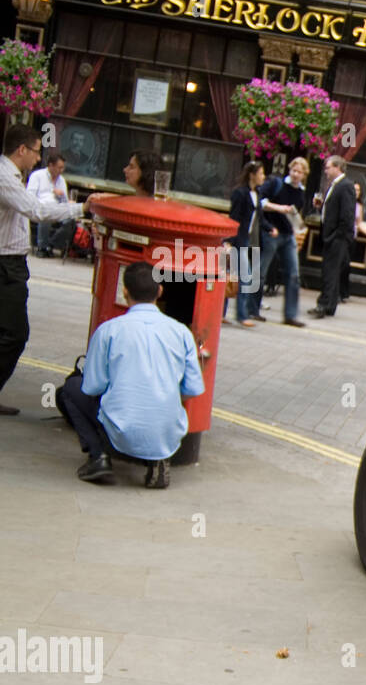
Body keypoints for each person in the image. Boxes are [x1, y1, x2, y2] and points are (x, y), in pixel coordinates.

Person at [59, 261, 204, 488]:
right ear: (160, 290)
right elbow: (193, 389)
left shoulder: (109, 330)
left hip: (119, 432)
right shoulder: (181, 332)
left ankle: (99, 457)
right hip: (169, 432)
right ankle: (158, 457)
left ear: (124, 291)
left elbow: (92, 387)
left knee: (70, 389)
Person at [0, 125, 111, 416]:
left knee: (7, 331)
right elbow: (37, 211)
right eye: (37, 151)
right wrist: (81, 208)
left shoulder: (12, 176)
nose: (38, 158)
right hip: (5, 265)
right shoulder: (4, 177)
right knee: (14, 333)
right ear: (22, 150)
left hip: (11, 263)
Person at [223, 161, 294, 327]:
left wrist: (270, 228)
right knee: (243, 278)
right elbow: (234, 219)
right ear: (252, 175)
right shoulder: (240, 194)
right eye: (261, 174)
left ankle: (223, 313)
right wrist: (228, 241)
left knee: (231, 277)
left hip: (247, 240)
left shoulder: (257, 193)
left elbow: (259, 217)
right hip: (237, 240)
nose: (263, 177)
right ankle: (241, 316)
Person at [256, 156, 308, 327]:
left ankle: (290, 315)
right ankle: (252, 309)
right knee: (261, 271)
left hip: (288, 235)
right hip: (272, 232)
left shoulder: (301, 192)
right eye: (294, 170)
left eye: (299, 172)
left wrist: (296, 226)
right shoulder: (276, 184)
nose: (295, 174)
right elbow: (261, 202)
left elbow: (295, 214)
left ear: (304, 174)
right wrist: (279, 208)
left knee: (293, 274)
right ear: (289, 170)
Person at [309, 155, 356, 319]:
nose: (326, 171)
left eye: (328, 167)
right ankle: (329, 305)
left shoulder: (346, 186)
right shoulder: (334, 186)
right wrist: (321, 207)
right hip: (330, 235)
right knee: (331, 271)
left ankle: (323, 304)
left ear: (338, 168)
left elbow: (347, 215)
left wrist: (336, 236)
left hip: (337, 238)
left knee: (329, 271)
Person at [27, 152, 76, 257]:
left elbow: (64, 202)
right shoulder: (37, 176)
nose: (61, 171)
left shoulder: (61, 180)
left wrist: (63, 197)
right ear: (51, 165)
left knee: (70, 220)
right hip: (41, 207)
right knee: (45, 215)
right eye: (59, 168)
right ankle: (42, 247)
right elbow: (30, 195)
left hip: (58, 209)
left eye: (63, 168)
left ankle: (50, 244)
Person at [340, 181, 366, 304]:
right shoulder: (344, 202)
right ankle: (337, 291)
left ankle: (342, 292)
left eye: (358, 191)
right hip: (341, 237)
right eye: (354, 190)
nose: (356, 192)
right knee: (342, 264)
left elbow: (359, 223)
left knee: (346, 266)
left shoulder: (359, 206)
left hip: (352, 238)